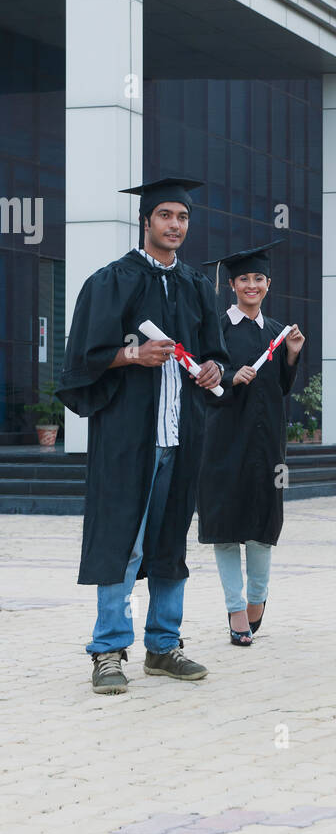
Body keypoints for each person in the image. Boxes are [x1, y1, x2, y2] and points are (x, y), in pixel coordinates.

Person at [56, 177, 229, 696]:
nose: (175, 225)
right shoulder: (111, 281)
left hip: (181, 434)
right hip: (128, 437)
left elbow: (215, 351)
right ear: (146, 220)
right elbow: (80, 363)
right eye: (166, 216)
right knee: (123, 543)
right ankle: (108, 649)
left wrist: (215, 370)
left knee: (169, 541)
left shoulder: (199, 285)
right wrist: (132, 355)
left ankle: (163, 645)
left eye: (183, 217)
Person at [197, 241, 304, 645]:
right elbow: (199, 383)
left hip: (268, 447)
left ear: (268, 284)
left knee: (262, 525)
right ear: (232, 284)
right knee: (225, 528)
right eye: (244, 279)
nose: (252, 285)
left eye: (258, 278)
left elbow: (282, 388)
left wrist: (292, 355)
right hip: (222, 443)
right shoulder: (215, 331)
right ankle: (235, 608)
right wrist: (227, 377)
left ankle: (258, 596)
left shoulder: (277, 334)